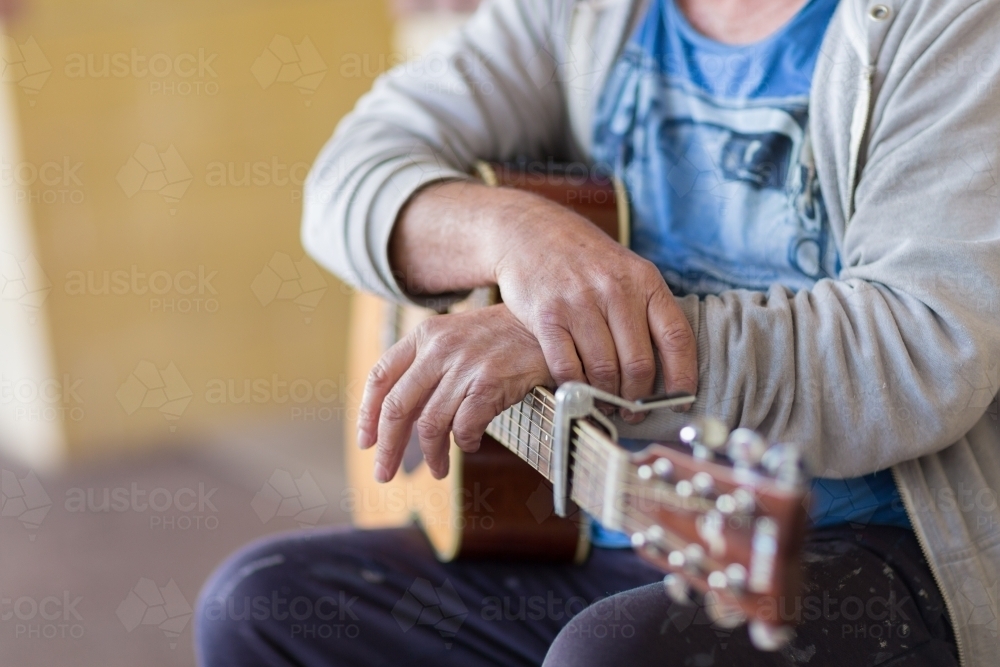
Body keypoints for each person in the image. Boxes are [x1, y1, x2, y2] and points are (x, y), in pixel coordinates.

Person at [195, 0, 1000, 665]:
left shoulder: (950, 23)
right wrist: (515, 236)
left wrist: (576, 341)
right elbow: (346, 178)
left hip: (857, 547)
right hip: (585, 522)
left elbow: (923, 347)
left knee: (610, 656)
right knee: (258, 604)